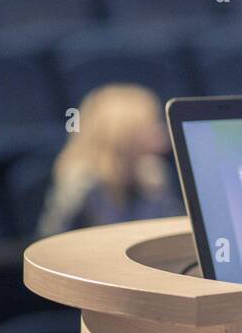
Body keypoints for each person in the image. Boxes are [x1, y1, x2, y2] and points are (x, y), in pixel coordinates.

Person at [37, 85, 183, 236]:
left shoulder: (152, 173)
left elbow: (176, 230)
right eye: (150, 124)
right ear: (123, 133)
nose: (161, 132)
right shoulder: (82, 183)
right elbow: (53, 244)